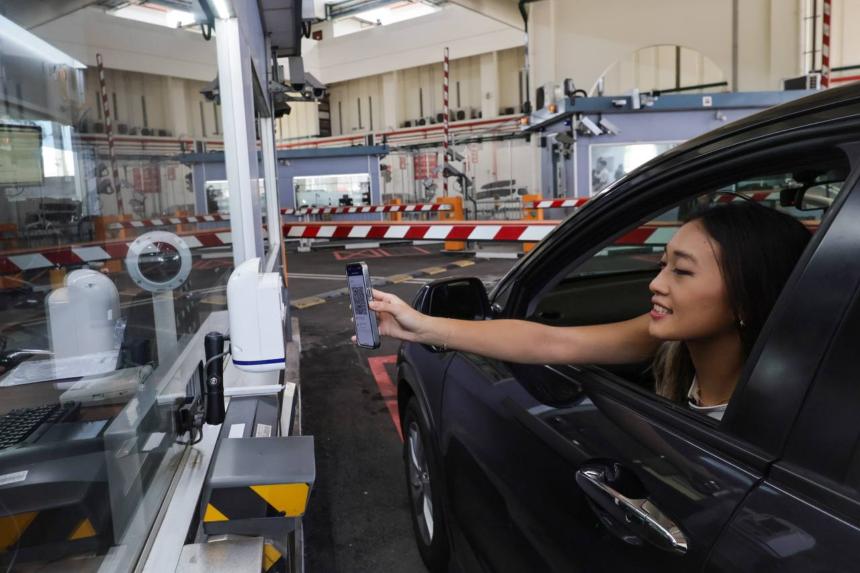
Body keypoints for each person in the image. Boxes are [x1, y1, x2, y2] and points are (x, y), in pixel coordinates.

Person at [362, 202, 812, 420]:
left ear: (748, 299)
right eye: (662, 265)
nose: (655, 283)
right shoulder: (667, 342)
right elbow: (551, 341)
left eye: (682, 272)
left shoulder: (793, 416)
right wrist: (419, 326)